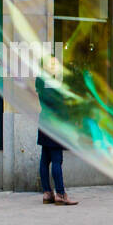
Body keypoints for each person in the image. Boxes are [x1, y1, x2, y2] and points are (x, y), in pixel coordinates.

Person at [36, 78, 77, 206]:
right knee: (56, 159)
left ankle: (47, 193)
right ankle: (60, 194)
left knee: (45, 160)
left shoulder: (41, 82)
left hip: (44, 122)